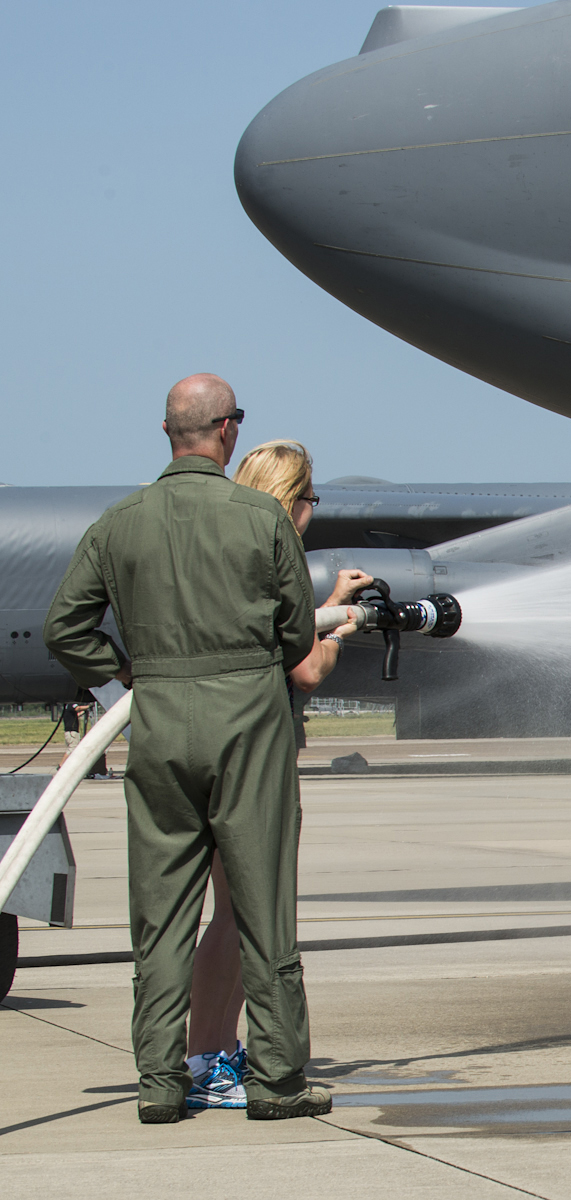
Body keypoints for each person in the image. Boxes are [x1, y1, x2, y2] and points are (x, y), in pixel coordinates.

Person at [44, 375, 334, 1122]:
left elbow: (65, 628)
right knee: (263, 904)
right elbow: (297, 636)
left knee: (163, 911)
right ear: (228, 430)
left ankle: (159, 1084)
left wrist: (127, 669)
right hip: (249, 726)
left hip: (162, 723)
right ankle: (276, 1081)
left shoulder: (120, 520)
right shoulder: (261, 520)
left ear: (166, 431)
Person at [183, 440, 371, 1111]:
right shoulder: (276, 547)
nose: (311, 511)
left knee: (221, 912)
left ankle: (211, 1046)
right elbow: (304, 668)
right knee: (241, 916)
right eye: (310, 499)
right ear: (292, 500)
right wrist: (341, 625)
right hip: (252, 759)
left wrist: (326, 601)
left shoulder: (219, 545)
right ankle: (206, 1055)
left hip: (199, 745)